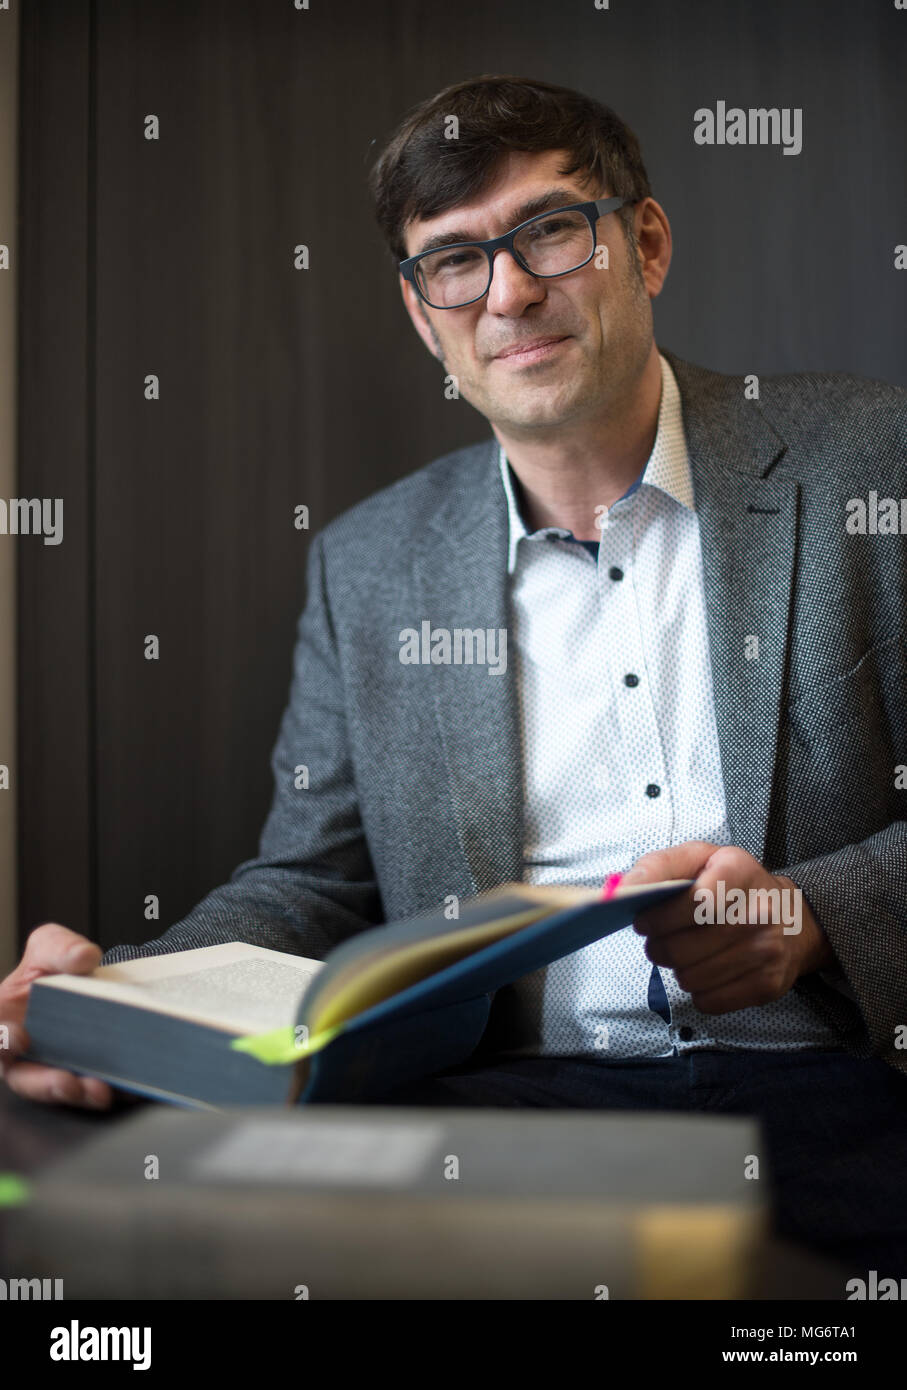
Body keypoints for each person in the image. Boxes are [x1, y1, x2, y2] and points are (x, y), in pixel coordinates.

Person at [3, 75, 906, 1275]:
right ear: (424, 317)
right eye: (454, 260)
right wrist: (124, 998)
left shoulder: (870, 461)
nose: (509, 291)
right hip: (512, 1102)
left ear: (643, 242)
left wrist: (808, 920)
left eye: (548, 230)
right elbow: (310, 883)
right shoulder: (369, 564)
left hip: (833, 1086)